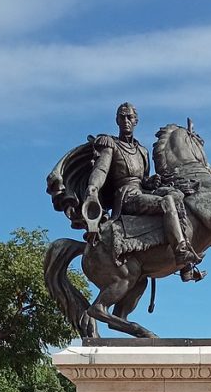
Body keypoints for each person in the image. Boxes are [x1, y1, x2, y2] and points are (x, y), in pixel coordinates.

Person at [82, 102, 202, 280]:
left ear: (136, 121)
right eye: (122, 117)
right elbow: (101, 170)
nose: (126, 120)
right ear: (116, 120)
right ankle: (181, 252)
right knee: (167, 202)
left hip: (141, 192)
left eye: (129, 117)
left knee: (177, 195)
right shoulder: (110, 144)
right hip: (126, 196)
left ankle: (185, 266)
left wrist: (151, 181)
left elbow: (143, 180)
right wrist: (92, 189)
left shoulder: (142, 151)